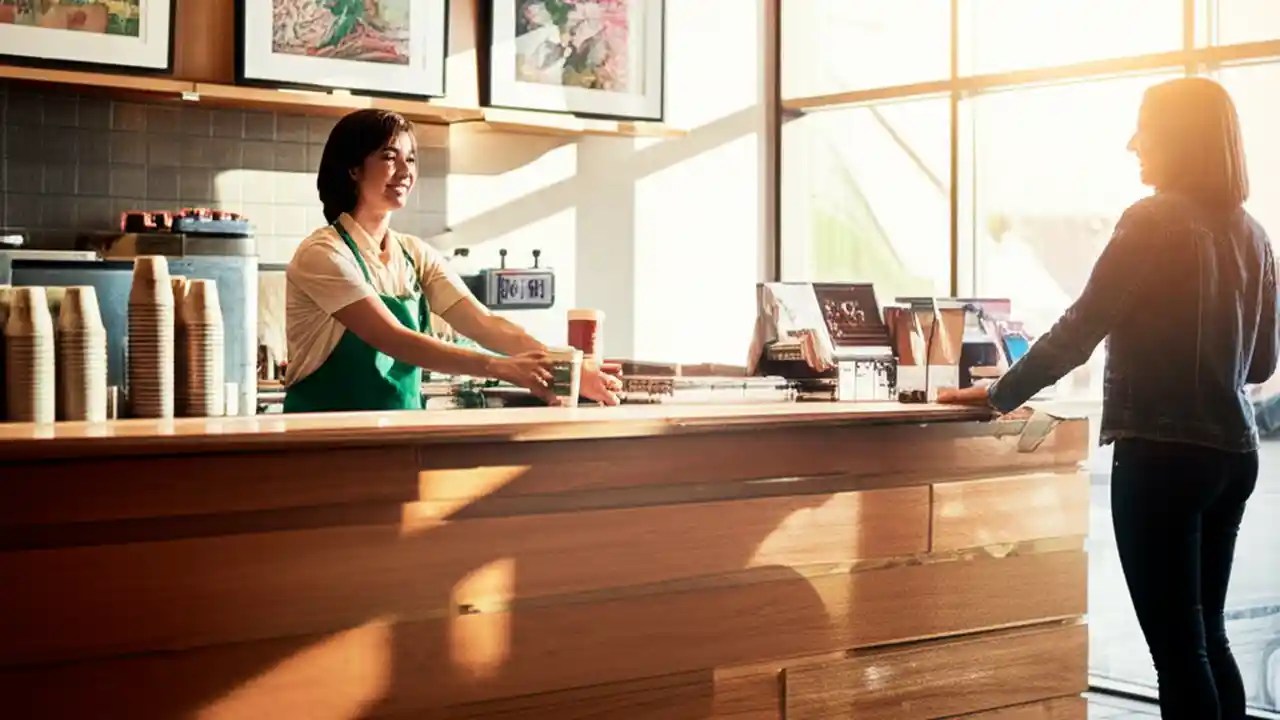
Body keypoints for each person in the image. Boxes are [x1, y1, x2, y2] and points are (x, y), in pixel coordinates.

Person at [940, 77, 1277, 720]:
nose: (1132, 143)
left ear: (1178, 136)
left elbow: (1079, 329)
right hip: (1233, 453)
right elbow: (1260, 364)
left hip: (1162, 455)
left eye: (1145, 126)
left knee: (1179, 655)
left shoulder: (1151, 221)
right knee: (1209, 638)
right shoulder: (1254, 235)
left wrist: (998, 396)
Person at [284, 109, 621, 413]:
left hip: (402, 434)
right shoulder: (323, 254)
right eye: (389, 157)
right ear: (353, 168)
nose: (405, 171)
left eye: (411, 159)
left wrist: (562, 365)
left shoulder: (413, 254)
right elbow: (393, 338)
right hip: (324, 435)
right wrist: (500, 366)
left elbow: (484, 323)